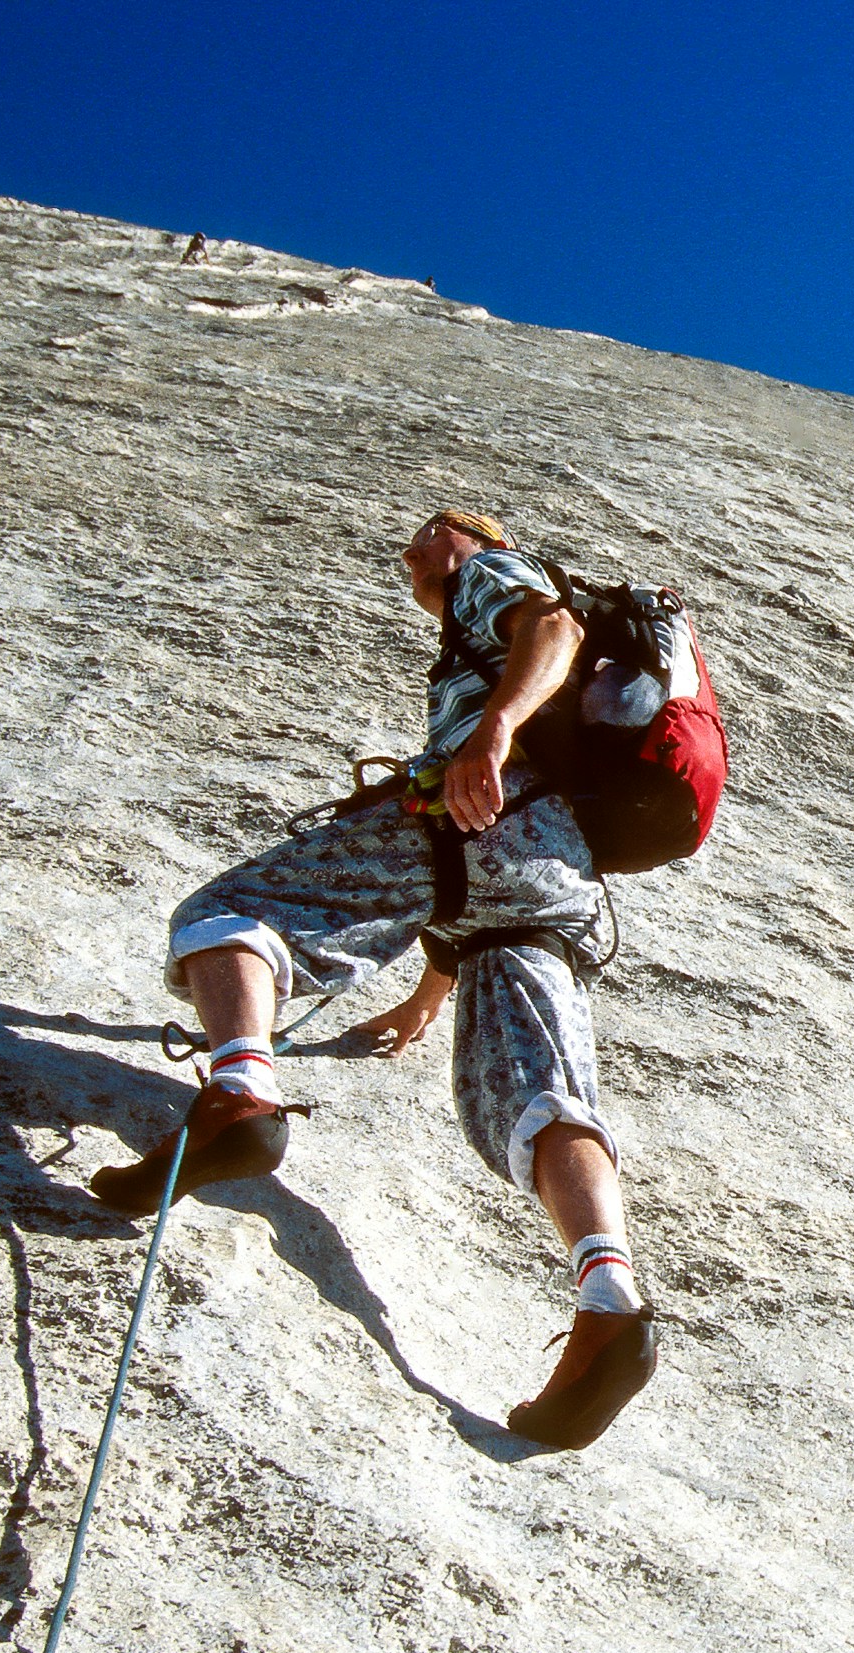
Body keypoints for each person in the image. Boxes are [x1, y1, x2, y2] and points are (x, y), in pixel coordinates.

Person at [87, 509, 656, 1450]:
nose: (413, 548)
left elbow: (552, 628)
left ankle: (239, 1094)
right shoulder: (488, 645)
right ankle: (610, 1300)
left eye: (433, 529)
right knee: (544, 1093)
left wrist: (492, 735)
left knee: (230, 917)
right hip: (554, 870)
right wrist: (428, 997)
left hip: (482, 811)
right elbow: (467, 896)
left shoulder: (491, 573)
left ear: (469, 536)